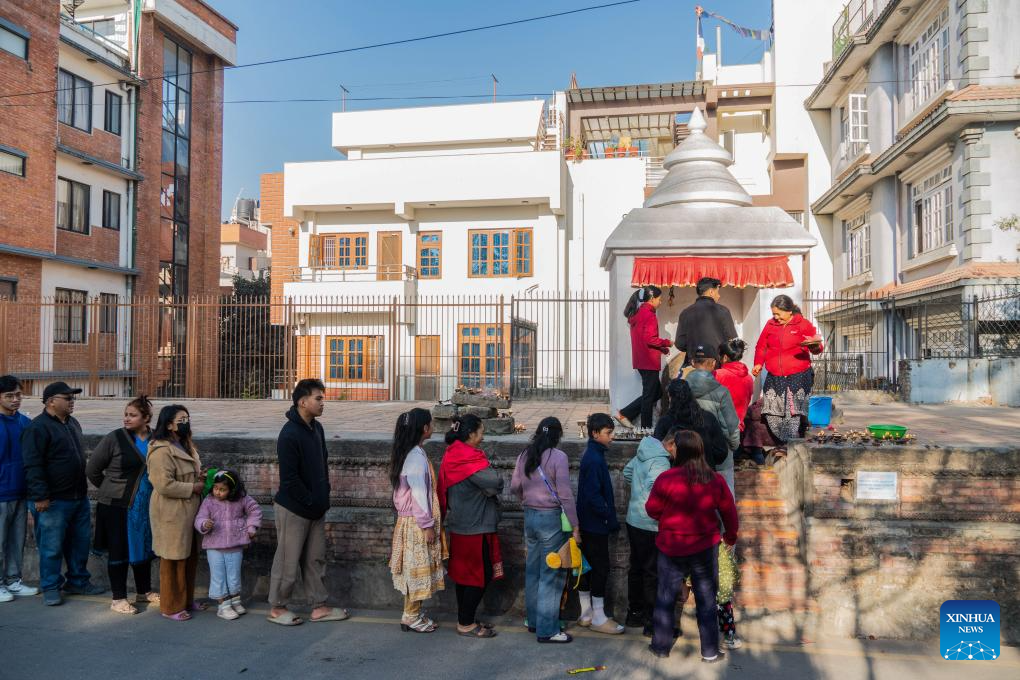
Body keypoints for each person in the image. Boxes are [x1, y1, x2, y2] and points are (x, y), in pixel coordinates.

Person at [646, 431, 739, 663]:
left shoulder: (666, 479)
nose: (672, 450)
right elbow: (729, 511)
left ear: (681, 450)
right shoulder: (714, 479)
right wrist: (730, 537)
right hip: (704, 548)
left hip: (671, 547)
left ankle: (660, 646)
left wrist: (667, 516)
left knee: (665, 597)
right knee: (706, 600)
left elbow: (652, 509)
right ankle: (709, 651)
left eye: (674, 447)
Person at [268, 378, 349, 626]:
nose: (323, 402)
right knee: (288, 560)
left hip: (315, 507)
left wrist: (323, 494)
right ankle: (278, 607)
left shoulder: (317, 428)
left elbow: (322, 464)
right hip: (293, 508)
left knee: (315, 559)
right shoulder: (289, 434)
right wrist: (311, 501)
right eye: (318, 398)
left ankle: (319, 606)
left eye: (323, 397)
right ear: (302, 402)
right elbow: (289, 480)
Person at [23, 381, 105, 606]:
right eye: (67, 398)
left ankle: (78, 581)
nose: (72, 402)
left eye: (73, 398)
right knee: (51, 547)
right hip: (53, 501)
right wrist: (40, 496)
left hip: (78, 497)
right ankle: (50, 586)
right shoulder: (37, 427)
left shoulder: (72, 423)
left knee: (79, 544)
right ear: (51, 402)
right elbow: (33, 464)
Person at [86, 395, 159, 615]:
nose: (126, 419)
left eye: (132, 415)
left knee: (143, 546)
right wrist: (111, 488)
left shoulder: (157, 439)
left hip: (146, 504)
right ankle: (118, 598)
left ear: (146, 418)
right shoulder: (115, 438)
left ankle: (143, 591)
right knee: (119, 549)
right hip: (117, 505)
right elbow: (93, 470)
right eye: (126, 414)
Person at [510, 416, 579, 644]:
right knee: (552, 573)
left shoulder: (524, 454)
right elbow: (566, 495)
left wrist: (526, 500)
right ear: (558, 435)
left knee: (533, 570)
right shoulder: (558, 457)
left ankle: (534, 621)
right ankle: (548, 630)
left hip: (530, 516)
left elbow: (515, 487)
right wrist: (576, 527)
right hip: (551, 520)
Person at [438, 414, 503, 639]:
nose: (483, 436)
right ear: (470, 434)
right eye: (481, 432)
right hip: (475, 527)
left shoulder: (454, 455)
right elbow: (495, 482)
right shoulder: (468, 459)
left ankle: (465, 618)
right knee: (479, 576)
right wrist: (489, 486)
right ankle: (465, 623)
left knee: (465, 577)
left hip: (462, 524)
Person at [388, 408, 446, 634]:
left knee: (415, 569)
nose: (432, 427)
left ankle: (413, 613)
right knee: (416, 570)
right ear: (424, 429)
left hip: (412, 521)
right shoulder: (414, 458)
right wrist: (427, 525)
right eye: (430, 424)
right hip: (416, 523)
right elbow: (420, 495)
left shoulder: (411, 453)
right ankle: (410, 616)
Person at [148, 405, 204, 621]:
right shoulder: (161, 450)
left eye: (187, 418)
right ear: (169, 424)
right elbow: (163, 485)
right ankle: (171, 606)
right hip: (172, 513)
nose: (185, 422)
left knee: (189, 558)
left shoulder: (185, 445)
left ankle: (187, 600)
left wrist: (201, 478)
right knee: (172, 560)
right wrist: (192, 488)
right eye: (181, 419)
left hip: (190, 511)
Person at [621, 418, 675, 636]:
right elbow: (658, 487)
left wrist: (638, 490)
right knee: (652, 572)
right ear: (671, 444)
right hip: (650, 522)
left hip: (633, 517)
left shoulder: (644, 451)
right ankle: (651, 621)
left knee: (636, 567)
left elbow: (626, 473)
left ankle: (634, 612)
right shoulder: (662, 461)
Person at [575, 413, 624, 635]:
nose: (611, 437)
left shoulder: (592, 455)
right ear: (595, 433)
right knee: (600, 568)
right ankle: (598, 616)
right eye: (608, 433)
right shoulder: (594, 459)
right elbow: (593, 495)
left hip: (588, 521)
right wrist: (608, 515)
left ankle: (586, 613)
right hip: (595, 523)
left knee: (586, 568)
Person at [752, 295, 824, 444]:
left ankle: (790, 443)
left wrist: (814, 346)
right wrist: (758, 363)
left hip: (798, 375)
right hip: (775, 375)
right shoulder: (770, 325)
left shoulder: (803, 324)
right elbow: (761, 346)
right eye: (774, 314)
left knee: (793, 412)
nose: (776, 317)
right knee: (771, 411)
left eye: (778, 313)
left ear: (789, 311)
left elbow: (817, 347)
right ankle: (784, 440)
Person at [194, 468, 262, 621]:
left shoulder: (241, 499)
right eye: (216, 488)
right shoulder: (209, 501)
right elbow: (200, 518)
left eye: (223, 490)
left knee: (234, 575)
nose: (218, 492)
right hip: (214, 546)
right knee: (219, 576)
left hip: (235, 544)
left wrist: (251, 527)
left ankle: (235, 601)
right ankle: (223, 606)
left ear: (232, 490)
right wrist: (204, 524)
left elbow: (255, 510)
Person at [0, 375, 39, 603]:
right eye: (9, 396)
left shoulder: (25, 422)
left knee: (16, 541)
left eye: (18, 395)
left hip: (20, 491)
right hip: (1, 493)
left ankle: (13, 580)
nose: (15, 400)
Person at [683, 346, 741, 495]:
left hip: (688, 455)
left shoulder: (680, 390)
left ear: (692, 362)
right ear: (714, 363)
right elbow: (731, 427)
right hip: (719, 457)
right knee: (724, 501)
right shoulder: (721, 392)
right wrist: (733, 448)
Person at [616, 286, 672, 429]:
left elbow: (645, 338)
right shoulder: (649, 314)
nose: (660, 302)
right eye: (659, 299)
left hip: (641, 360)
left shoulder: (638, 313)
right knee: (648, 396)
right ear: (652, 299)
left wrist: (662, 348)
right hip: (649, 361)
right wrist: (667, 343)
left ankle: (626, 413)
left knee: (656, 392)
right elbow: (650, 339)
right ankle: (645, 430)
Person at [674, 277, 737, 367]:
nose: (719, 296)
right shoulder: (723, 311)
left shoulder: (685, 313)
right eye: (717, 292)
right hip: (716, 365)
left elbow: (680, 344)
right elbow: (729, 342)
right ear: (711, 292)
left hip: (693, 364)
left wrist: (694, 350)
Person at [714, 339, 753, 435]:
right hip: (738, 428)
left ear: (725, 357)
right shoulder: (749, 378)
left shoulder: (717, 375)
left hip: (719, 428)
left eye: (719, 356)